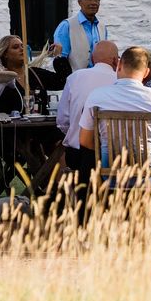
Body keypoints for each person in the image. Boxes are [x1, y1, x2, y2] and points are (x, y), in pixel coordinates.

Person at [77, 45, 151, 182]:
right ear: (146, 73)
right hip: (149, 175)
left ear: (119, 65)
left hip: (110, 174)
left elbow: (84, 140)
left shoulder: (96, 96)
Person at [56, 40, 119, 197]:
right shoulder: (120, 81)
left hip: (78, 154)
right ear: (116, 61)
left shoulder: (74, 78)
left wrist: (74, 132)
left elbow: (62, 120)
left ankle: (84, 207)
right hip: (115, 156)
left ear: (92, 59)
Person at [54, 0, 111, 72]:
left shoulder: (102, 27)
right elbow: (61, 61)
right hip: (75, 81)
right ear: (80, 2)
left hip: (98, 79)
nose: (93, 3)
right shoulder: (67, 26)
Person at [0, 36, 51, 114]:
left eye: (22, 46)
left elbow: (62, 81)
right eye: (15, 47)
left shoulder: (35, 73)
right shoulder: (2, 78)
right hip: (15, 125)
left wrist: (59, 55)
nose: (22, 49)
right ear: (5, 54)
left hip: (42, 124)